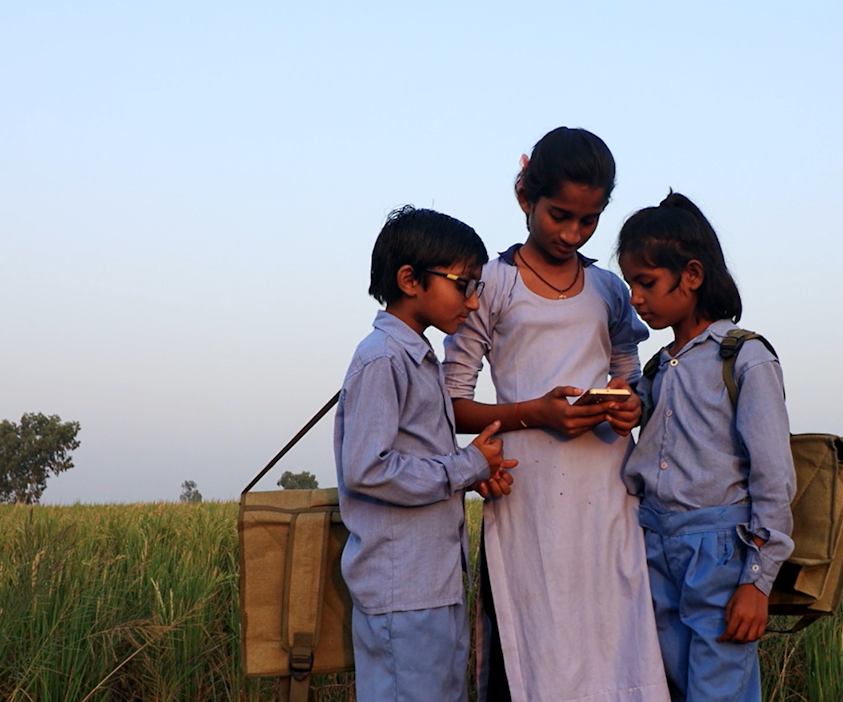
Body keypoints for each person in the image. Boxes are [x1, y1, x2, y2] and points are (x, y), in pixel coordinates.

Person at [443, 127, 670, 702]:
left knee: (613, 639)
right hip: (527, 496)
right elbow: (450, 403)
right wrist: (534, 415)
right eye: (559, 215)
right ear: (525, 198)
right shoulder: (492, 285)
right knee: (530, 646)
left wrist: (629, 402)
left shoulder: (610, 289)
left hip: (607, 497)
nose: (572, 233)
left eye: (589, 220)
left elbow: (629, 370)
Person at [616, 192, 796, 702]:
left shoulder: (744, 358)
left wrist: (756, 583)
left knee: (719, 688)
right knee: (666, 685)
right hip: (654, 545)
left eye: (646, 283)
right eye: (630, 283)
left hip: (719, 549)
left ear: (691, 275)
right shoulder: (654, 369)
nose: (635, 297)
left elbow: (773, 476)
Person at [335, 206, 516, 702]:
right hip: (403, 594)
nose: (474, 301)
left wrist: (470, 475)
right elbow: (367, 469)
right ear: (410, 279)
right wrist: (466, 465)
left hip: (431, 587)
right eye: (464, 284)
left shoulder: (418, 357)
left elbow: (414, 461)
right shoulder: (382, 359)